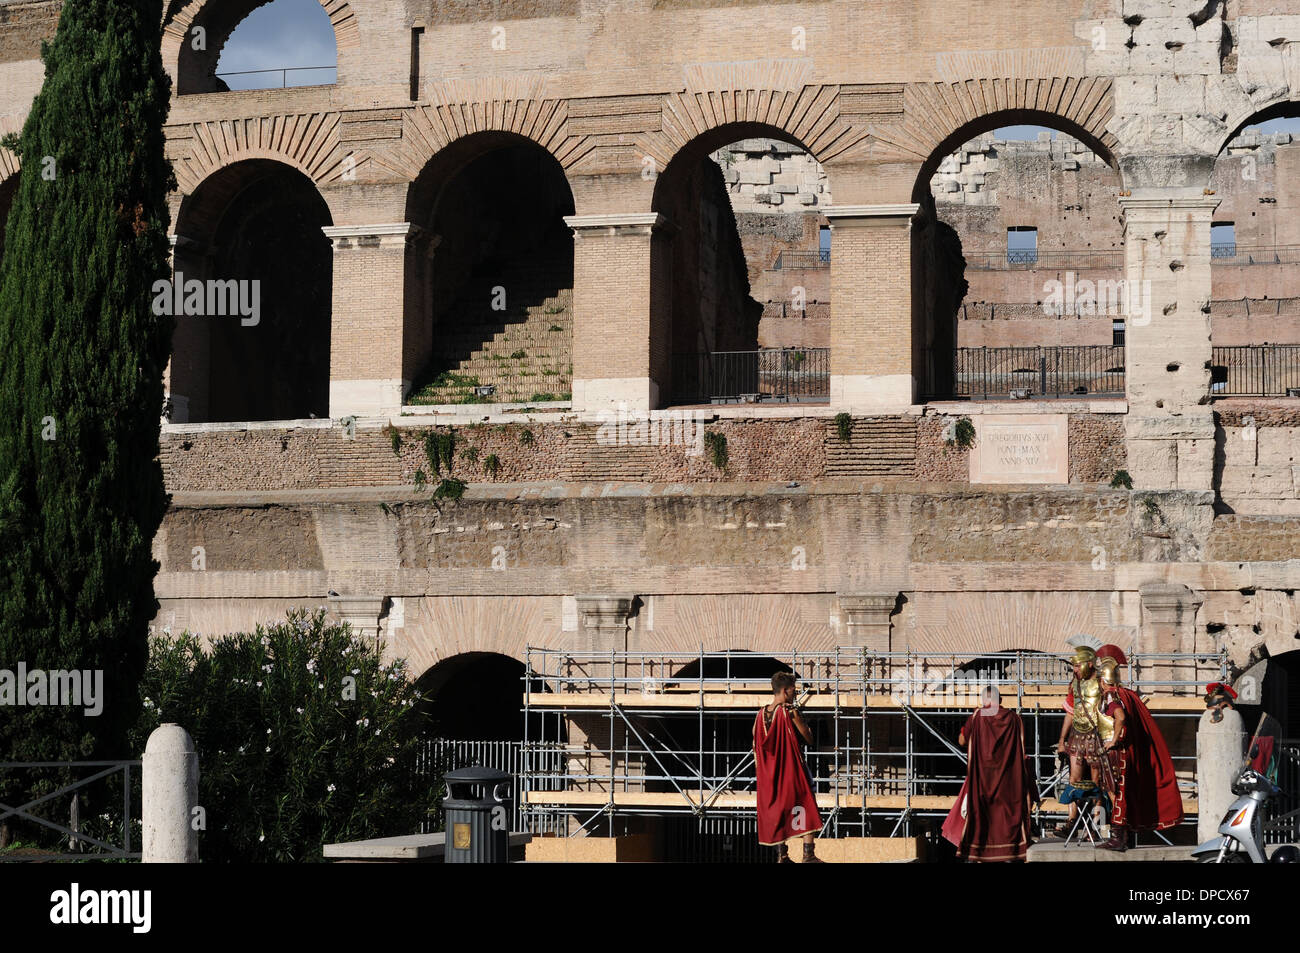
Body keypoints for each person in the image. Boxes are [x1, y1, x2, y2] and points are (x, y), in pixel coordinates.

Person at [1096, 655, 1183, 850]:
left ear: (1103, 680)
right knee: (1124, 792)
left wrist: (1114, 739)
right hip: (1127, 752)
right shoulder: (1127, 693)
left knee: (1115, 791)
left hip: (1118, 752)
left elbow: (1120, 717)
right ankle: (1127, 837)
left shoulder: (1111, 696)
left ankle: (1118, 838)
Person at [940, 685, 1037, 861]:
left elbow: (962, 740)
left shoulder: (977, 717)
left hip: (983, 778)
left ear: (985, 700)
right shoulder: (1014, 718)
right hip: (1009, 778)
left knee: (983, 816)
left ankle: (979, 853)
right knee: (1006, 818)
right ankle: (1010, 854)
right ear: (999, 701)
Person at [754, 671, 822, 862]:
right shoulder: (789, 712)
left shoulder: (760, 715)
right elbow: (808, 737)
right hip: (790, 769)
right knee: (806, 800)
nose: (795, 693)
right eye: (793, 690)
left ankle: (781, 855)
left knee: (777, 809)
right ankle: (808, 855)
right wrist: (801, 720)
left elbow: (756, 738)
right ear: (785, 691)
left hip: (770, 774)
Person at [1055, 645, 1107, 832]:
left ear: (1090, 664)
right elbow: (1070, 713)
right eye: (1074, 667)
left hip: (1097, 737)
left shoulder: (1103, 683)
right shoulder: (1073, 685)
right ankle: (1072, 821)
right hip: (1077, 737)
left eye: (1077, 666)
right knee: (1073, 780)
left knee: (1097, 782)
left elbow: (1111, 711)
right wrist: (1062, 740)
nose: (1075, 670)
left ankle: (1096, 823)